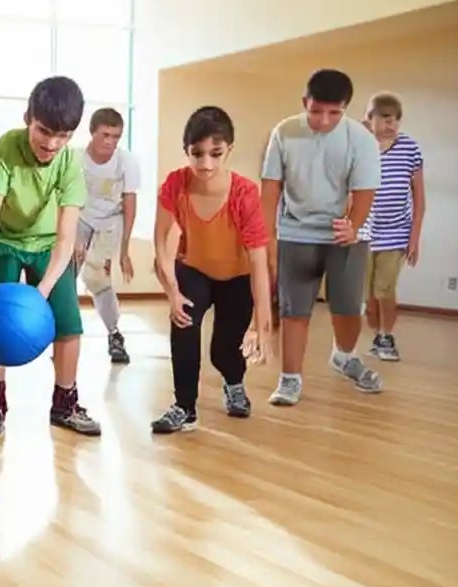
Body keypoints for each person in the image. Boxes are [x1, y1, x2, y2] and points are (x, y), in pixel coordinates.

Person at [0, 76, 100, 440]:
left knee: (70, 325)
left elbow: (65, 241)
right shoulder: (5, 149)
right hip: (5, 241)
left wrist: (40, 294)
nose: (52, 143)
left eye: (64, 136)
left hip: (48, 248)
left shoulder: (69, 163)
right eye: (44, 131)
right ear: (28, 117)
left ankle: (65, 404)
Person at [262, 68, 383, 405]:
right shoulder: (284, 133)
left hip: (345, 233)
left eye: (334, 113)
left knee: (346, 307)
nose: (324, 121)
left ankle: (344, 356)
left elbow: (365, 190)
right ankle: (289, 380)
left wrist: (353, 225)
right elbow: (271, 188)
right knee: (293, 308)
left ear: (345, 109)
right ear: (305, 102)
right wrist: (266, 237)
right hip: (296, 229)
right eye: (316, 111)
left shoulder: (361, 140)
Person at [151, 106, 273, 433]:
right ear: (186, 152)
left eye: (215, 154)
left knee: (223, 350)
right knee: (184, 327)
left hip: (237, 277)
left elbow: (259, 260)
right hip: (193, 270)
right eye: (197, 154)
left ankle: (234, 383)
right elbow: (161, 242)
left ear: (228, 150)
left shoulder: (245, 193)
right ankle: (184, 407)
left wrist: (263, 323)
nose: (206, 163)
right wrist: (172, 293)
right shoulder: (175, 184)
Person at [358, 91, 425, 362]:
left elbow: (420, 198)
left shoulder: (410, 148)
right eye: (385, 119)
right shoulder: (360, 146)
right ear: (370, 119)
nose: (392, 125)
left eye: (396, 120)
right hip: (363, 232)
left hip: (395, 232)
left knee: (384, 288)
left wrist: (414, 239)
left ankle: (387, 337)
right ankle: (377, 334)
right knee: (368, 296)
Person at [75, 107, 141, 364]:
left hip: (111, 221)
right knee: (65, 274)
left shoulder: (126, 162)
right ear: (92, 133)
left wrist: (124, 251)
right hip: (80, 217)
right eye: (105, 135)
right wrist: (66, 238)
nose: (111, 142)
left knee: (95, 276)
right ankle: (63, 334)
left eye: (116, 136)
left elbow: (130, 204)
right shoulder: (75, 158)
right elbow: (62, 198)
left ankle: (114, 334)